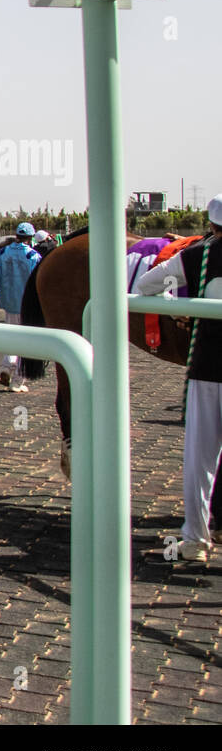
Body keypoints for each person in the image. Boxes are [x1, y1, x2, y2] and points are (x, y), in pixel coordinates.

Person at [134, 193, 222, 562]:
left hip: (208, 369)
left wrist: (180, 306)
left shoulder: (198, 255)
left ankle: (195, 539)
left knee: (200, 458)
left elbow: (145, 285)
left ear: (213, 225)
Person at [0, 222, 42, 392]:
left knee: (11, 334)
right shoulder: (32, 256)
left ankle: (6, 366)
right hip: (27, 304)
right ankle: (18, 380)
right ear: (30, 238)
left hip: (8, 300)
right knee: (27, 341)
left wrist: (1, 286)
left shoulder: (3, 252)